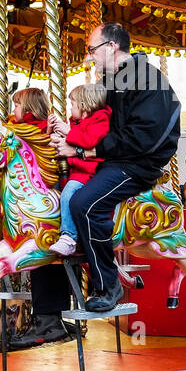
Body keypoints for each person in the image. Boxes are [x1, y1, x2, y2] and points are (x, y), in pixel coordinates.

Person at [11, 22, 180, 347]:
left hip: (139, 163)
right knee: (61, 200)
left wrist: (87, 149)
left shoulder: (146, 79)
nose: (89, 57)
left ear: (112, 47)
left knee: (85, 202)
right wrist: (72, 132)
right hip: (117, 158)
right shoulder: (115, 81)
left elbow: (142, 136)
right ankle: (60, 297)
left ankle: (109, 285)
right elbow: (98, 124)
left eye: (92, 50)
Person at [47, 82, 112, 257]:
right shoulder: (78, 122)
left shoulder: (100, 119)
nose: (70, 108)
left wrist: (68, 131)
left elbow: (89, 141)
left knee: (68, 192)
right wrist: (54, 133)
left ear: (84, 105)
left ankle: (69, 237)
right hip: (76, 170)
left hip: (89, 171)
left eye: (72, 105)